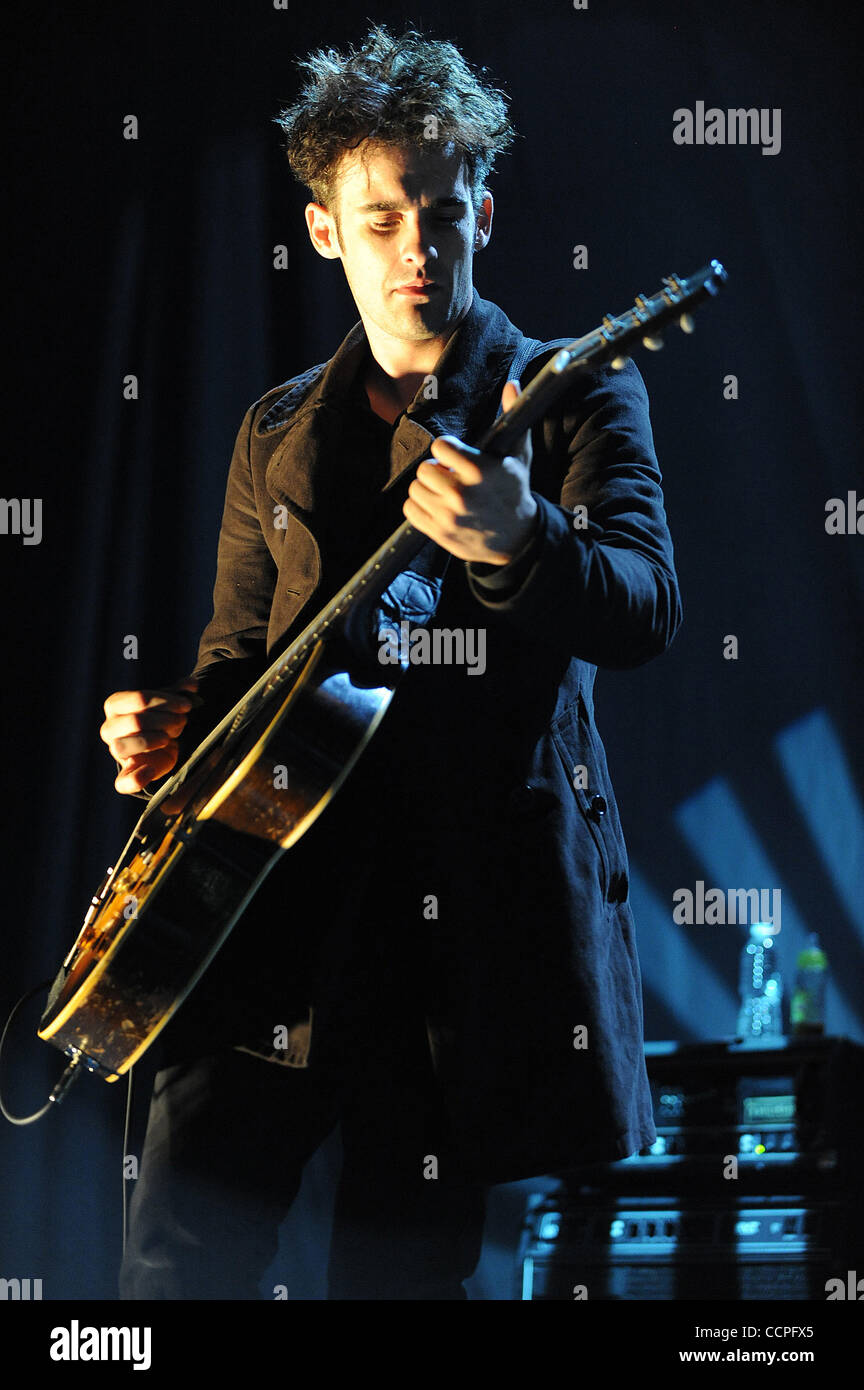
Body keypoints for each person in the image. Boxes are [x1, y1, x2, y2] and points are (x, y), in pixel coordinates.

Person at [100, 26, 682, 1300]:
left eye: (442, 211)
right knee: (171, 1273)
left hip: (452, 944)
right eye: (380, 219)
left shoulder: (573, 397)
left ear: (483, 212)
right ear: (324, 232)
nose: (418, 246)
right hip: (263, 917)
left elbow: (645, 608)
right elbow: (236, 663)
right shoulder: (274, 429)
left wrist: (522, 541)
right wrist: (165, 738)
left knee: (401, 1281)